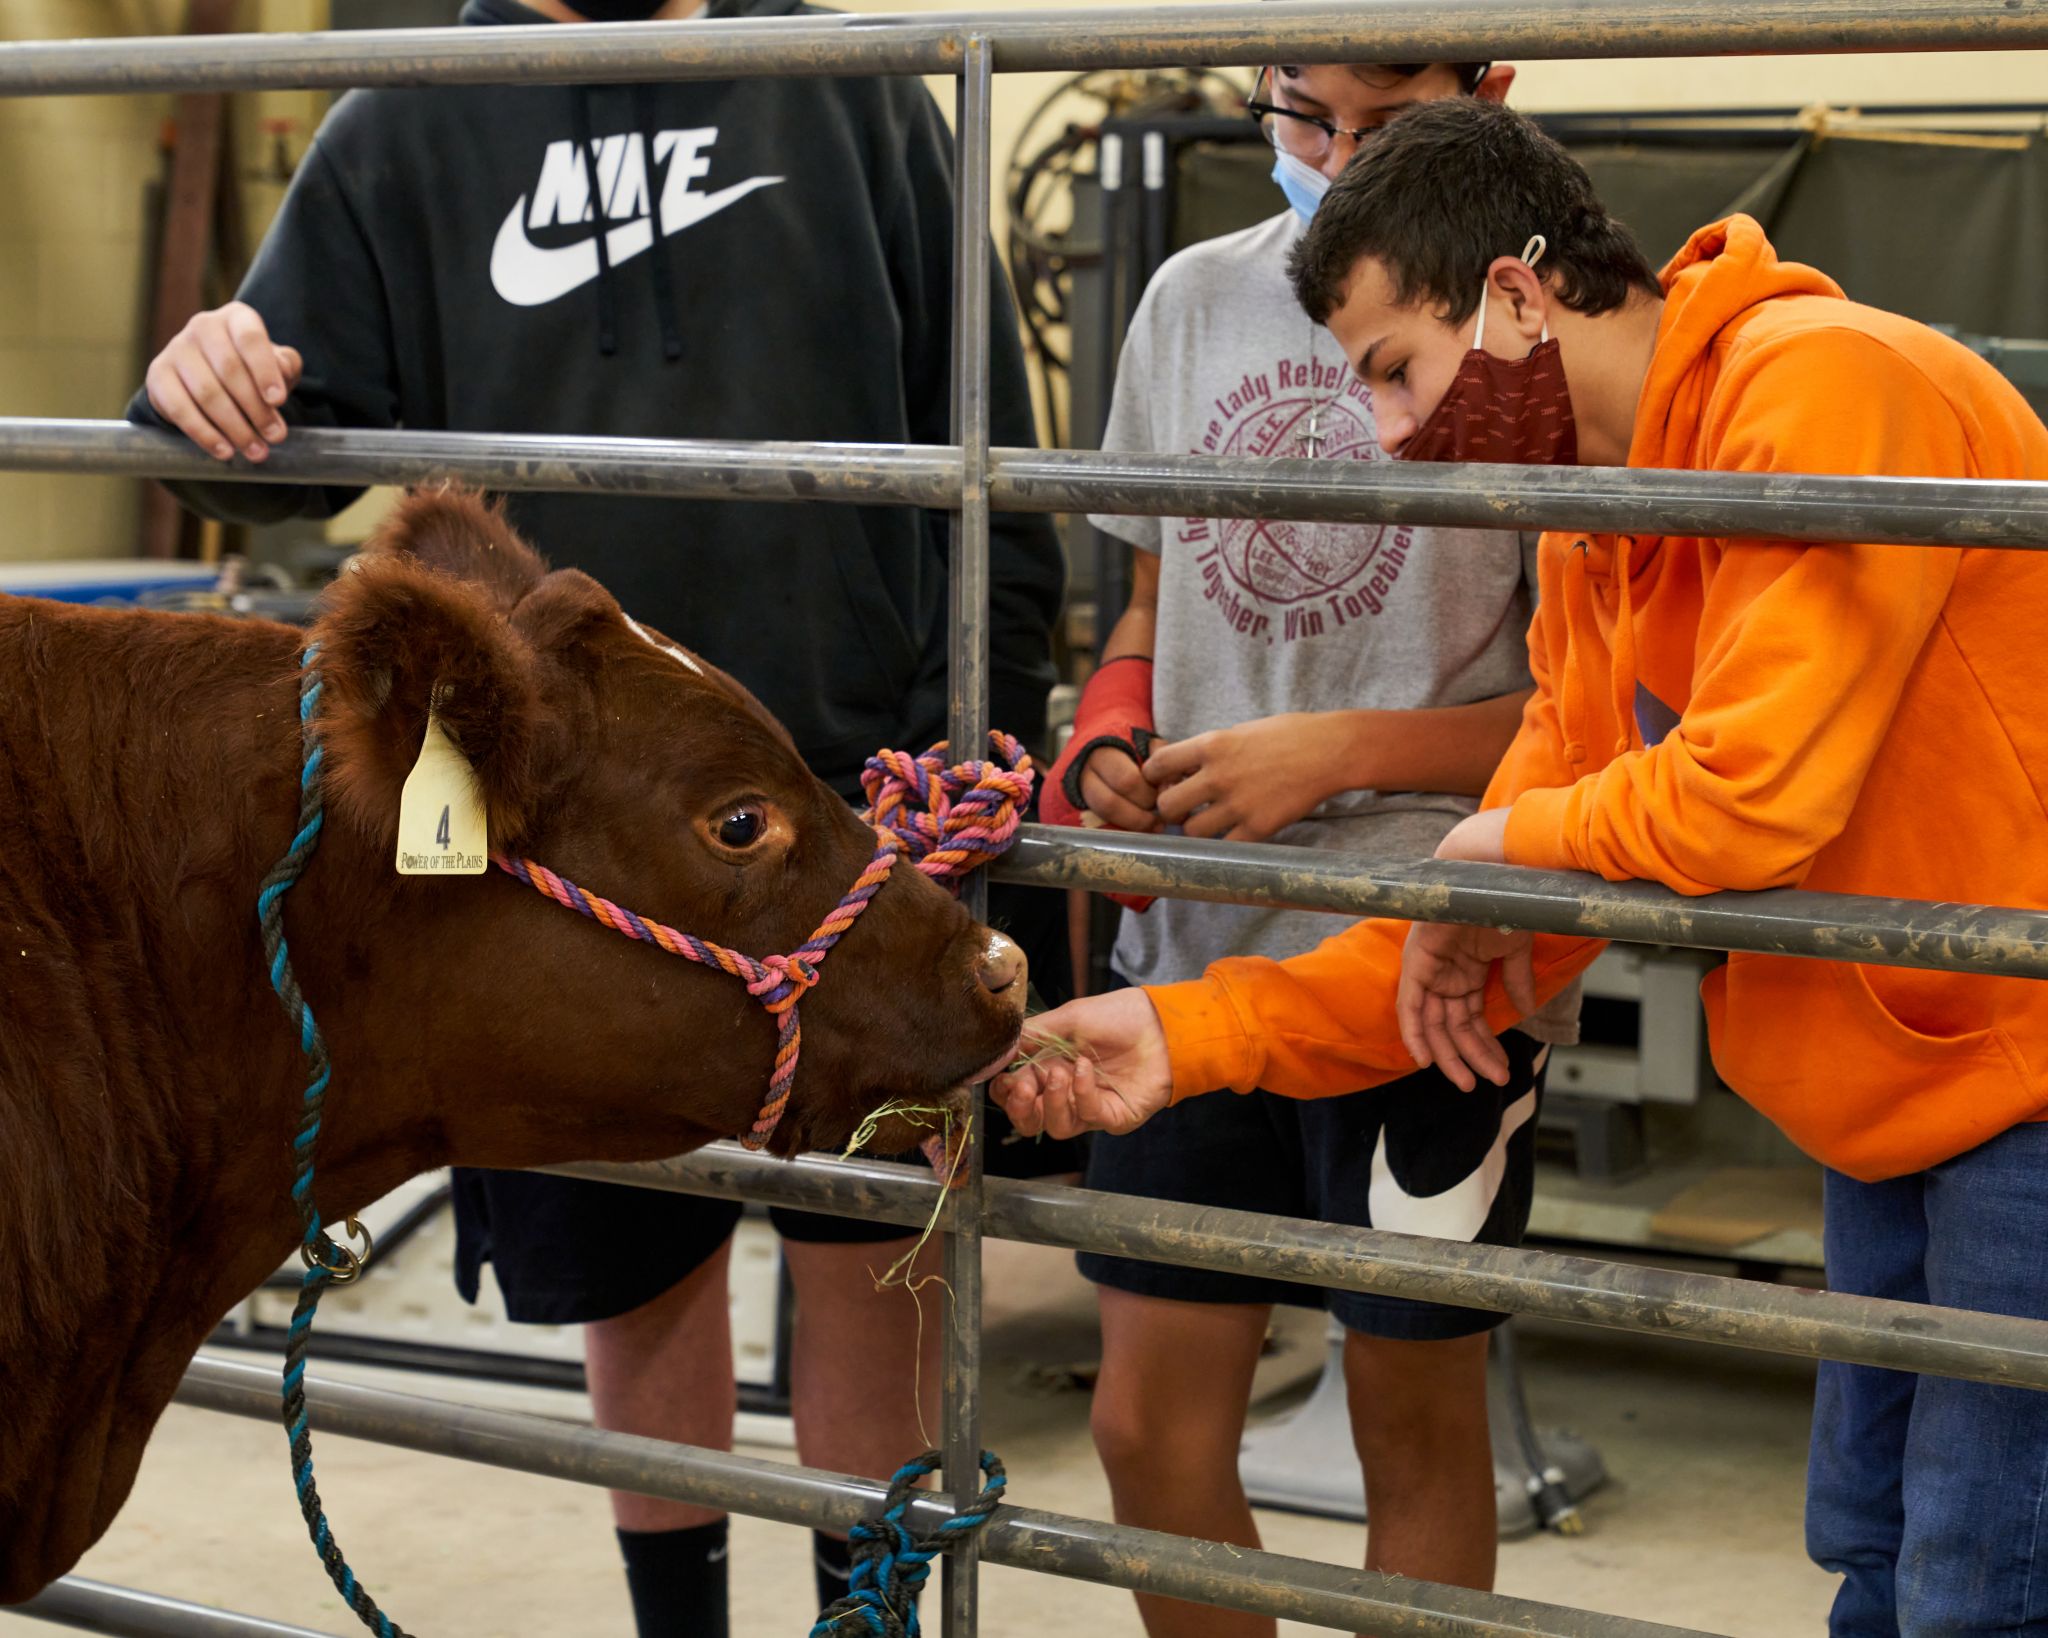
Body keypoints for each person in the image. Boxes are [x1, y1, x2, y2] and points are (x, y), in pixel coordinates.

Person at [999, 95, 2048, 1637]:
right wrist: (1183, 1033)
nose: (1394, 438)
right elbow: (1515, 927)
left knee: (1980, 1586)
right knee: (1881, 1556)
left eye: (1396, 373)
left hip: (2023, 1074)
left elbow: (1748, 795)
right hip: (1889, 1095)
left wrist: (1493, 842)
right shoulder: (1597, 533)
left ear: (1513, 292)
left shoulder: (1821, 389)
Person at [129, 2, 1072, 1633]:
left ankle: (869, 1620)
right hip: (564, 857)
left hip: (846, 805)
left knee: (871, 1264)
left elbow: (981, 418)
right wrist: (201, 371)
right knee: (636, 1274)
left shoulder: (846, 86)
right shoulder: (409, 116)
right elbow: (265, 453)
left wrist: (985, 726)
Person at [1034, 56, 1577, 1629]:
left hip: (1425, 955)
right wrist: (1110, 739)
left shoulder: (1532, 333)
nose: (1336, 163)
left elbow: (1591, 707)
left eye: (1387, 123)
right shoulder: (1190, 302)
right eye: (1299, 117)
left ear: (1484, 93)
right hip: (1198, 935)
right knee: (1144, 1422)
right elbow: (1144, 602)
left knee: (1408, 1421)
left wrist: (1339, 752)